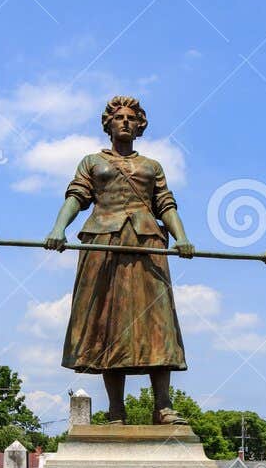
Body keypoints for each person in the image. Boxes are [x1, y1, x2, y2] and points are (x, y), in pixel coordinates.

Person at [45, 96, 194, 423]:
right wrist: (58, 228)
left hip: (146, 247)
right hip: (104, 245)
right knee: (108, 326)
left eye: (131, 118)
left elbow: (165, 205)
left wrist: (181, 237)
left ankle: (163, 406)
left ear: (139, 126)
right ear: (108, 124)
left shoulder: (152, 166)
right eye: (119, 117)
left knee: (158, 327)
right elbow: (76, 197)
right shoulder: (91, 162)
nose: (125, 121)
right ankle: (116, 409)